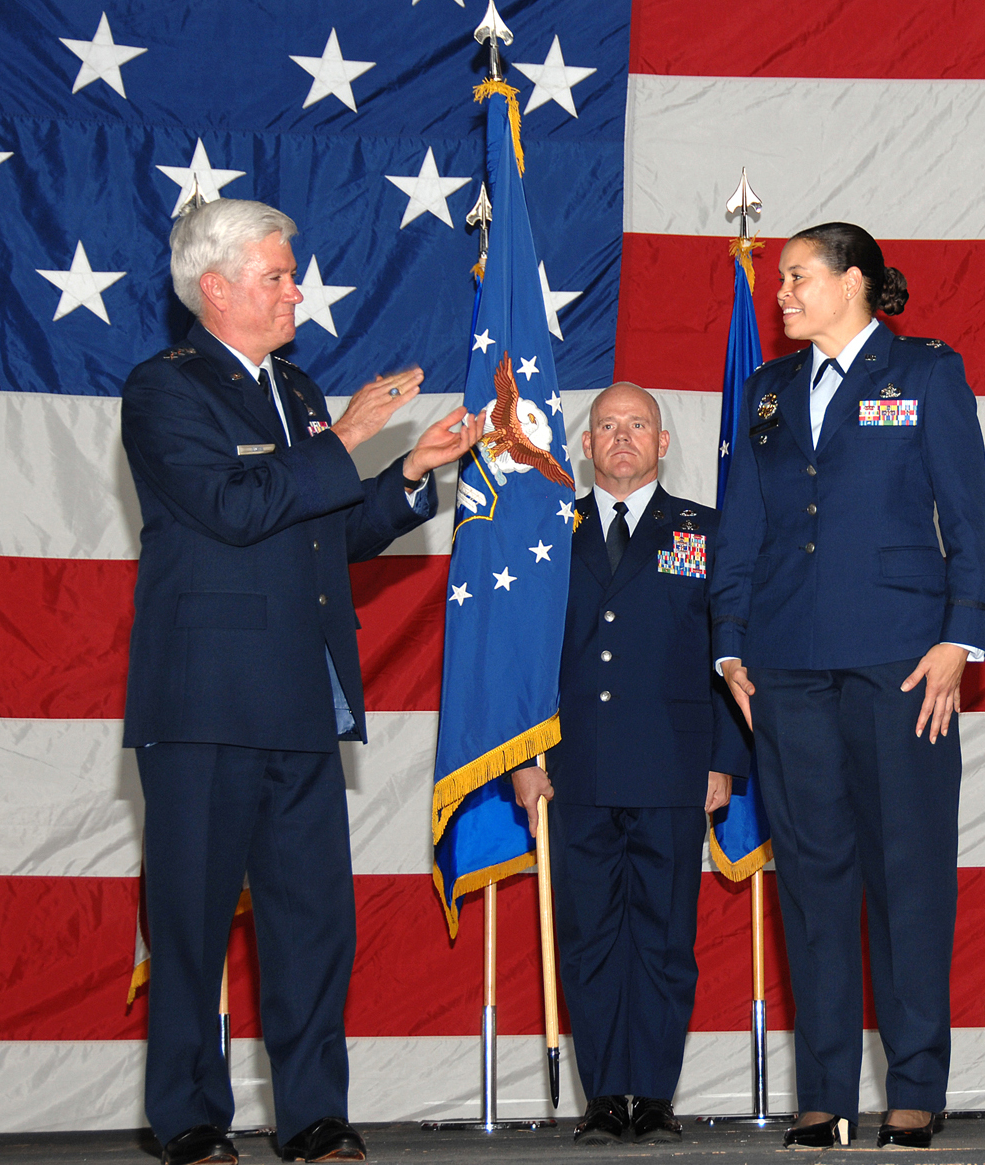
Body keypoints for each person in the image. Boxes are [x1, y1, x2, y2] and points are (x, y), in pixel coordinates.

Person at [120, 198, 484, 1165]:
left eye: (291, 274)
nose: (295, 291)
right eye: (277, 276)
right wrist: (345, 439)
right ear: (216, 288)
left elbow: (326, 530)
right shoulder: (164, 389)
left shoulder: (299, 386)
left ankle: (315, 1114)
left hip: (303, 692)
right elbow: (233, 507)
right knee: (192, 922)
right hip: (203, 700)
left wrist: (408, 472)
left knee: (314, 922)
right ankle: (189, 1119)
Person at [711, 223, 985, 1149]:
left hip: (904, 662)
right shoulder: (768, 388)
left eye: (799, 276)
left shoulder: (927, 373)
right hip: (785, 664)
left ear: (855, 281)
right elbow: (742, 523)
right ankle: (824, 1094)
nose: (783, 292)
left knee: (909, 875)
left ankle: (915, 1086)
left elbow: (967, 513)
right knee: (812, 881)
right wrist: (729, 645)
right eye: (782, 279)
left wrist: (960, 636)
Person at [510, 383, 751, 1146]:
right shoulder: (549, 529)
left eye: (637, 424)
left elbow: (729, 650)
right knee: (587, 937)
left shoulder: (706, 531)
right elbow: (523, 654)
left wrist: (725, 757)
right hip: (571, 767)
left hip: (673, 765)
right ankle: (605, 1094)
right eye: (607, 425)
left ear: (662, 442)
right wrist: (522, 757)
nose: (622, 436)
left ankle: (651, 1092)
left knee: (663, 937)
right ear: (585, 445)